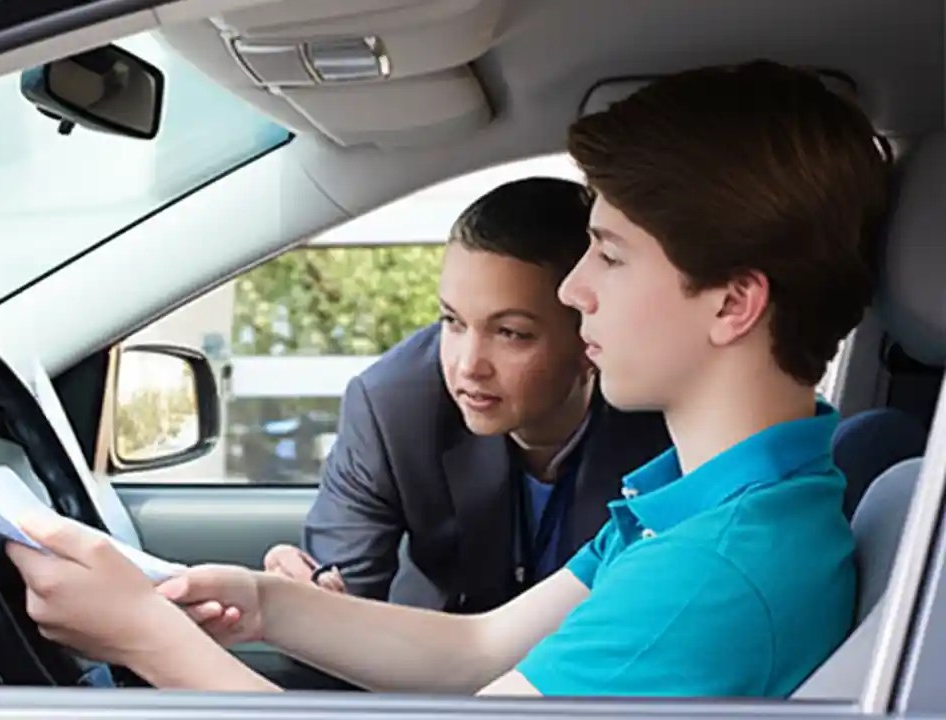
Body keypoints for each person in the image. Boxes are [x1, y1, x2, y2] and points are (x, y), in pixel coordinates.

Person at [5, 59, 890, 698]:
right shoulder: (712, 506)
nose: (576, 292)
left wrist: (147, 640)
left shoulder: (712, 574)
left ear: (733, 304)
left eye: (610, 257)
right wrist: (266, 604)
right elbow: (479, 648)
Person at [264, 177, 671, 612]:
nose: (467, 365)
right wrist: (306, 599)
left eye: (511, 333)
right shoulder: (393, 407)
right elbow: (339, 598)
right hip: (432, 667)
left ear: (589, 334)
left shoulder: (663, 412)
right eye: (452, 321)